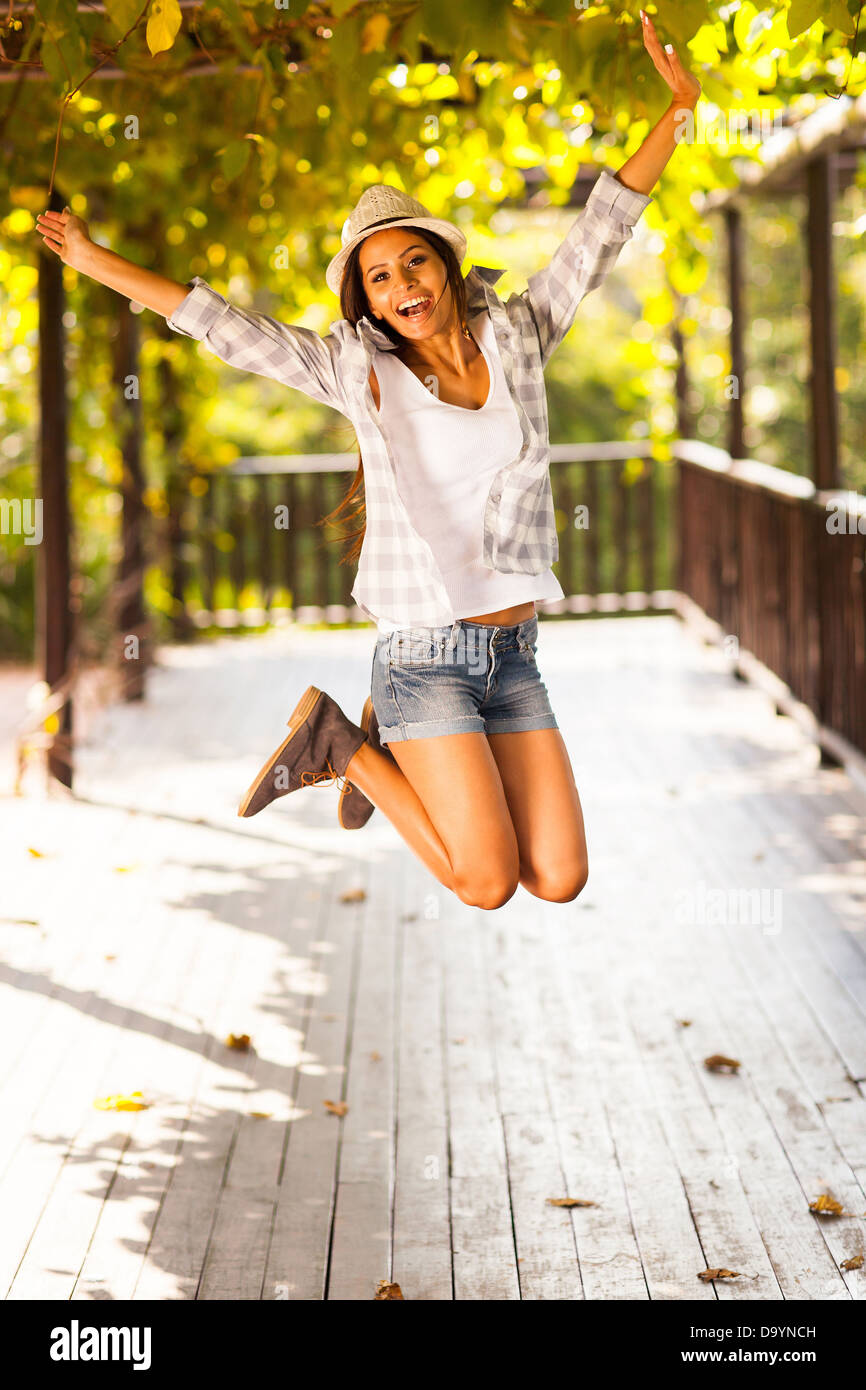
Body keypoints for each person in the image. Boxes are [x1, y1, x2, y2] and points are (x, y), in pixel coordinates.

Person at [35, 11, 700, 910]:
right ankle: (341, 743)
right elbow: (223, 327)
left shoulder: (519, 337)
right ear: (367, 300)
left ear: (448, 267)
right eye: (378, 279)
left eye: (414, 263)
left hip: (515, 652)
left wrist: (679, 111)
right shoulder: (357, 371)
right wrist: (90, 257)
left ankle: (361, 744)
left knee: (560, 877)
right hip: (423, 656)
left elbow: (601, 230)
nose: (402, 289)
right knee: (487, 883)